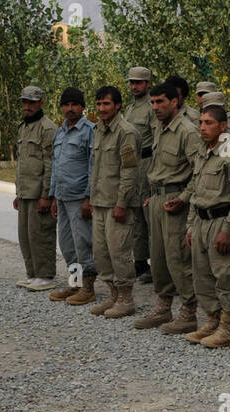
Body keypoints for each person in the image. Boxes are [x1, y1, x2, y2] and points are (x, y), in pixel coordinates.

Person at [133, 82, 203, 334]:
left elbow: (200, 171)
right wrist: (154, 195)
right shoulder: (159, 129)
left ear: (175, 101)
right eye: (152, 102)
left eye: (160, 101)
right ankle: (163, 306)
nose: (155, 107)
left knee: (178, 260)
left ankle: (189, 310)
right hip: (159, 200)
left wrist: (183, 198)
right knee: (159, 258)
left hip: (177, 202)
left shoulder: (187, 131)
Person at [182, 104, 230, 349]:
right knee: (203, 277)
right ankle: (213, 320)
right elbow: (195, 189)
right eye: (200, 122)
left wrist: (229, 230)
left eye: (208, 123)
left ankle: (229, 328)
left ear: (223, 126)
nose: (202, 127)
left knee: (226, 276)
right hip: (201, 220)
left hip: (222, 221)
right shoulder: (202, 151)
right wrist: (190, 226)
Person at [87, 85, 141, 319]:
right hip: (99, 202)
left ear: (117, 105)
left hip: (117, 204)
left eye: (106, 104)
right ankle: (113, 294)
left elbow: (129, 172)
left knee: (119, 253)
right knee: (101, 253)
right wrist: (91, 198)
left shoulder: (125, 132)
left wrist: (122, 203)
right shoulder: (98, 129)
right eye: (98, 104)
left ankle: (126, 299)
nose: (101, 109)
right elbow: (96, 167)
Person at [47, 87, 97, 306]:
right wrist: (53, 197)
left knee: (82, 244)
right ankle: (74, 283)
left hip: (79, 199)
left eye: (74, 104)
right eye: (66, 105)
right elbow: (56, 166)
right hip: (62, 197)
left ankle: (88, 288)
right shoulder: (60, 132)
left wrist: (89, 198)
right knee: (67, 244)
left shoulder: (90, 131)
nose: (70, 109)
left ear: (82, 107)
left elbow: (93, 167)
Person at [13, 86, 58, 291]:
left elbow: (50, 164)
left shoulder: (47, 128)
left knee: (41, 234)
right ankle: (32, 273)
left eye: (31, 102)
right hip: (25, 192)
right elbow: (22, 162)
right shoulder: (23, 127)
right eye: (25, 102)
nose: (27, 106)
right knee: (26, 236)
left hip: (39, 192)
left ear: (41, 103)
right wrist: (17, 192)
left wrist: (47, 195)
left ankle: (45, 275)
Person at [123, 67, 156, 284]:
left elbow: (157, 139)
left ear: (147, 84)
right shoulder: (129, 108)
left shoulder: (152, 108)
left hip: (147, 162)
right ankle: (140, 262)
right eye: (132, 82)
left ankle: (155, 265)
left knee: (149, 216)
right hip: (131, 165)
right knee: (135, 216)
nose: (134, 86)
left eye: (139, 82)